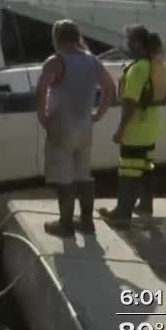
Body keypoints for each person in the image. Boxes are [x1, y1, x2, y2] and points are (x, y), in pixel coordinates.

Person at [36, 19, 118, 236]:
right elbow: (110, 87)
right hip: (85, 126)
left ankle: (65, 224)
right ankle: (87, 222)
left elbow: (41, 90)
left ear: (57, 38)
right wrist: (99, 113)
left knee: (63, 177)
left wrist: (43, 118)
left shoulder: (56, 61)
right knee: (83, 174)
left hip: (62, 126)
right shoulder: (93, 61)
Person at [100, 26, 166, 226]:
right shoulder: (156, 65)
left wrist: (121, 129)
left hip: (136, 129)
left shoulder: (138, 69)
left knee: (128, 170)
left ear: (137, 43)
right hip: (152, 127)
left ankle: (122, 213)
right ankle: (145, 204)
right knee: (146, 167)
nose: (127, 44)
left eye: (128, 40)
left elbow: (130, 102)